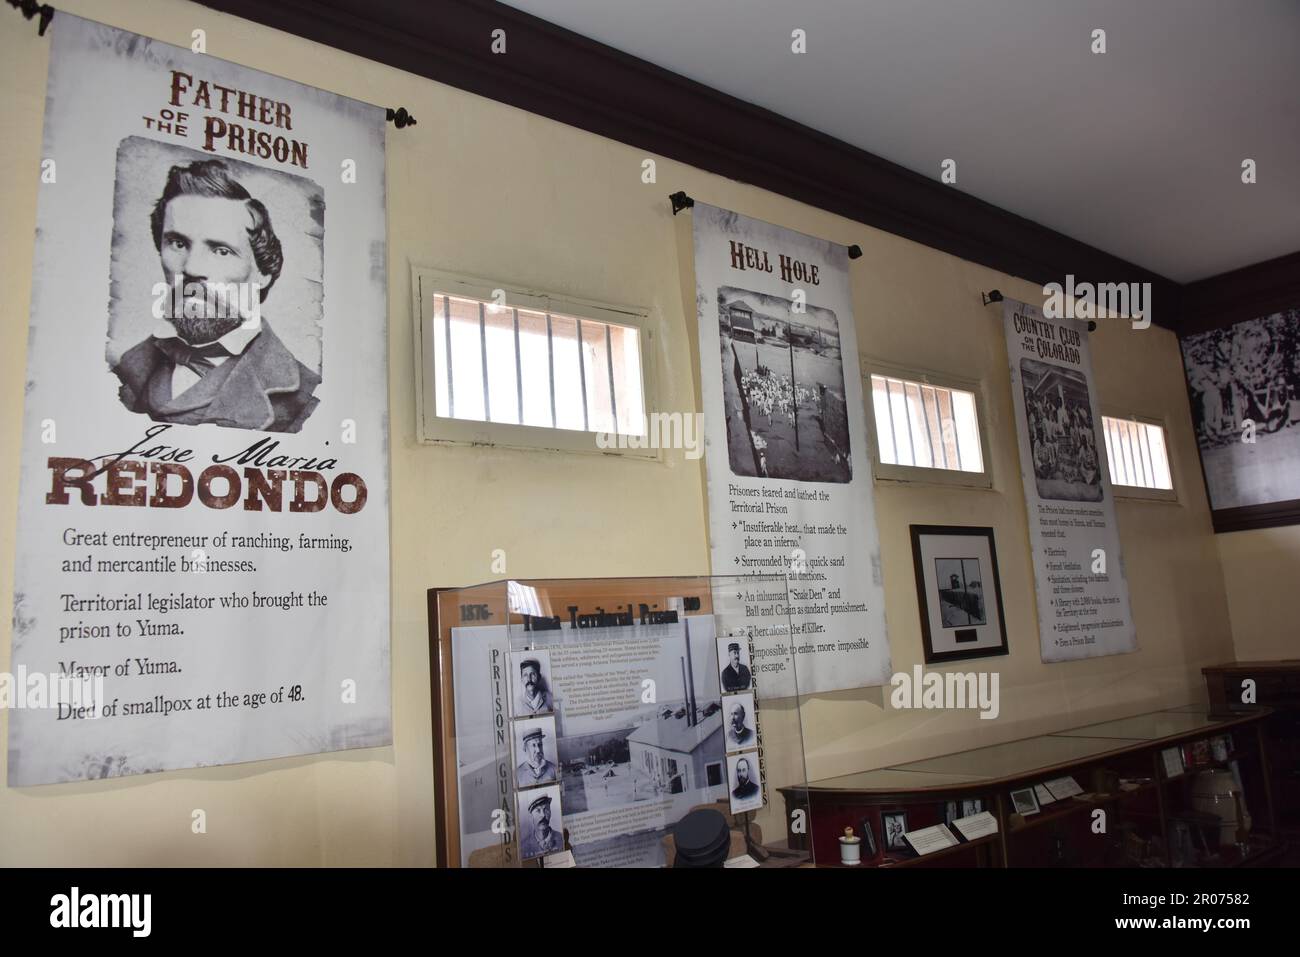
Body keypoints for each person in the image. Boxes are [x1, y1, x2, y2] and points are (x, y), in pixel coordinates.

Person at [112, 159, 320, 432]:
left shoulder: (306, 399)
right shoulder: (121, 373)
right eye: (178, 244)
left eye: (221, 250)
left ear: (263, 271)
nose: (191, 268)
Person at [518, 793, 563, 859]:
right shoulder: (523, 846)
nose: (543, 815)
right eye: (538, 811)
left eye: (546, 809)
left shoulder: (561, 838)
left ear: (550, 812)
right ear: (531, 817)